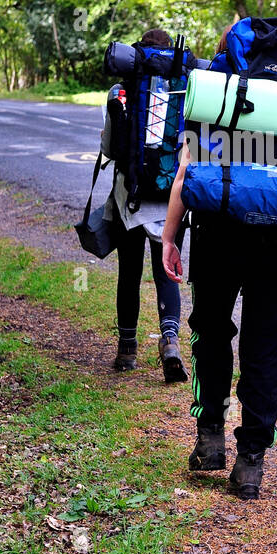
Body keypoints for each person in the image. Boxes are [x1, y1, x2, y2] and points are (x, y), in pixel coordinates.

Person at [160, 19, 277, 500]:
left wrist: (169, 235)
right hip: (276, 241)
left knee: (211, 332)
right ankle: (251, 463)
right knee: (266, 348)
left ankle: (210, 437)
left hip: (217, 234)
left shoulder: (214, 95)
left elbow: (186, 169)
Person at [101, 27, 188, 383]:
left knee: (130, 273)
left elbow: (109, 147)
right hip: (171, 198)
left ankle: (127, 349)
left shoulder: (122, 90)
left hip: (131, 196)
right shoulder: (185, 88)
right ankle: (169, 340)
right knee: (167, 270)